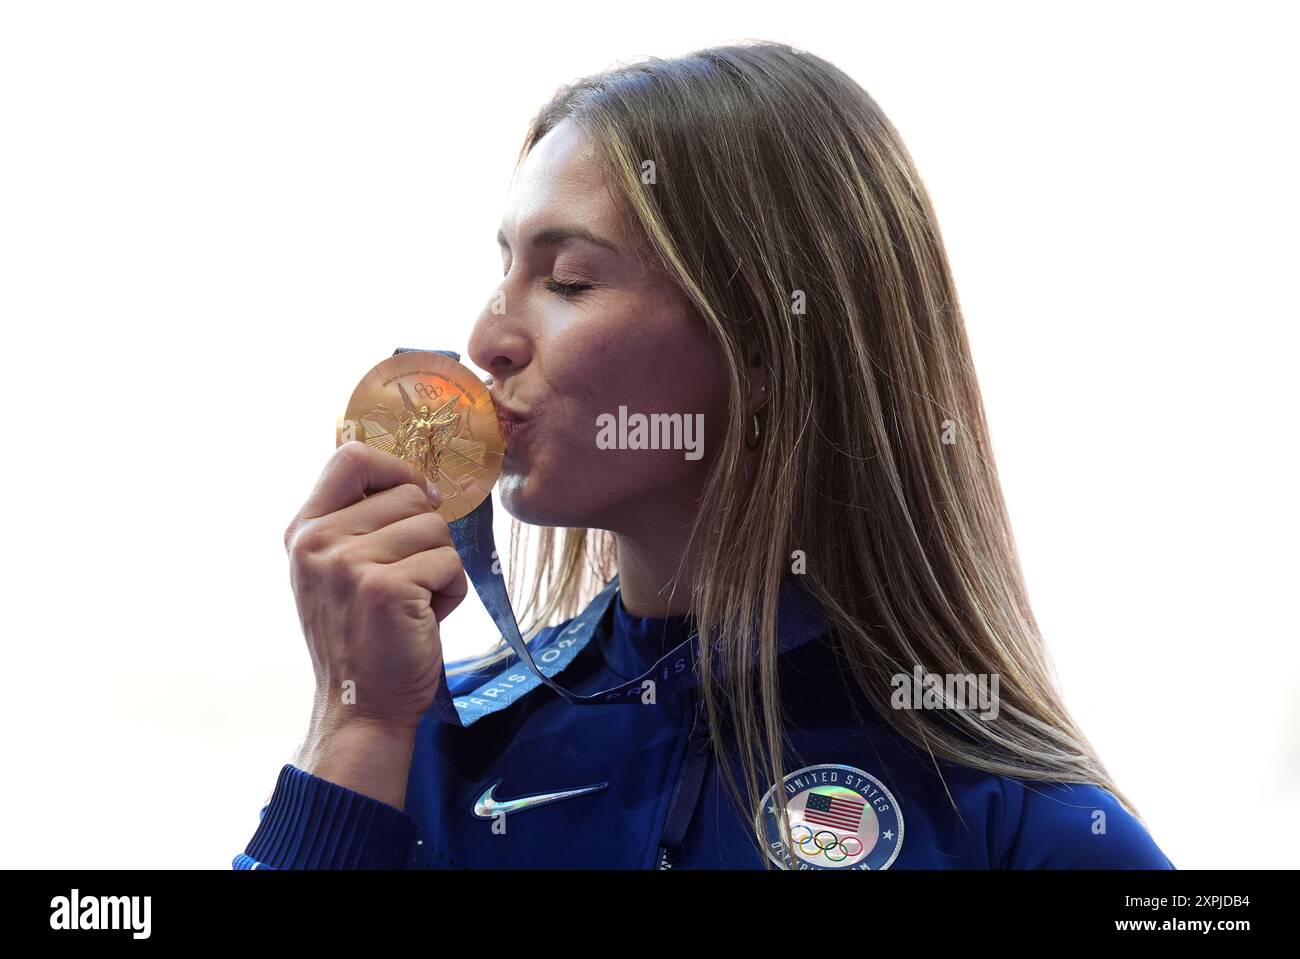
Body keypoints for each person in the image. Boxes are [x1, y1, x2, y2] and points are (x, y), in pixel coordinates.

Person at [235, 42, 1174, 870]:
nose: (487, 337)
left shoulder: (1012, 823)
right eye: (504, 269)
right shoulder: (433, 740)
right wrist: (352, 727)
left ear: (764, 353)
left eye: (568, 280)